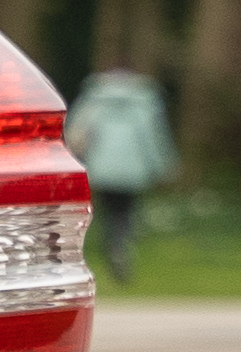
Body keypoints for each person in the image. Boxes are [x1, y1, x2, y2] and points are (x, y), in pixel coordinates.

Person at [69, 62, 178, 279]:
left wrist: (73, 160)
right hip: (132, 169)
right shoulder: (145, 100)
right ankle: (120, 247)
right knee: (125, 211)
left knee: (105, 210)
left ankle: (107, 247)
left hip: (101, 167)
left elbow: (77, 133)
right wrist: (163, 167)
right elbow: (154, 137)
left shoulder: (95, 97)